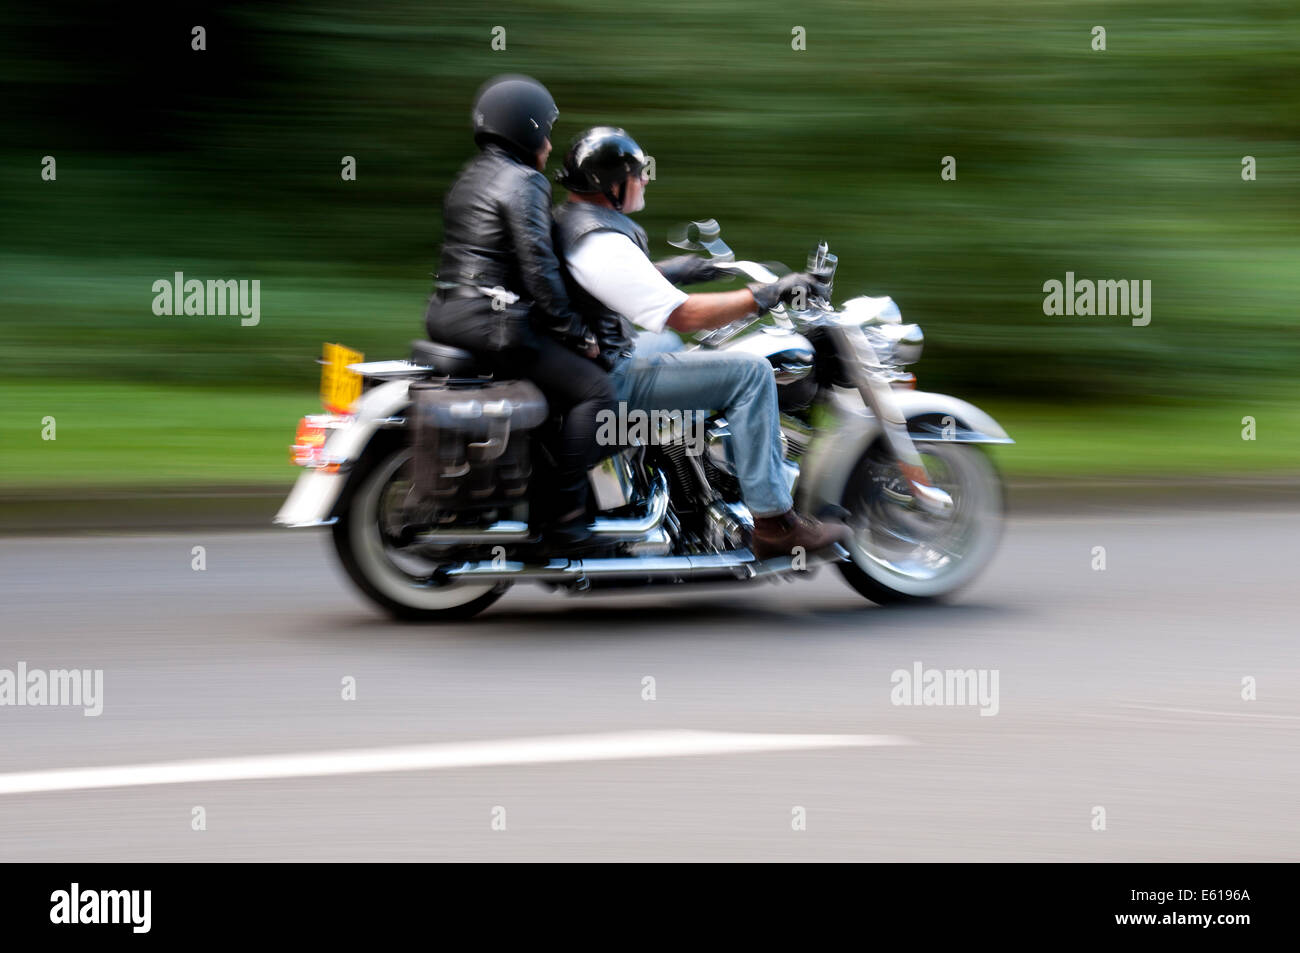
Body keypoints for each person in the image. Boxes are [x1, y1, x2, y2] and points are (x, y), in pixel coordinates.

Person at [552, 126, 850, 560]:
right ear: (610, 184)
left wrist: (676, 270)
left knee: (667, 342)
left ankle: (685, 470)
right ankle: (774, 522)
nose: (646, 178)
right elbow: (684, 314)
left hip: (594, 359)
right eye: (637, 173)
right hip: (607, 375)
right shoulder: (599, 240)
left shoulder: (577, 221)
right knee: (750, 373)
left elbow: (611, 284)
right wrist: (765, 296)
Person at [424, 76, 614, 548]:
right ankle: (565, 518)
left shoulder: (470, 174)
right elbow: (539, 269)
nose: (549, 145)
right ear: (525, 131)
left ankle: (549, 492)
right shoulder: (524, 180)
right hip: (492, 323)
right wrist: (577, 333)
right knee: (598, 389)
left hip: (448, 313)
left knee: (557, 388)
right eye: (545, 132)